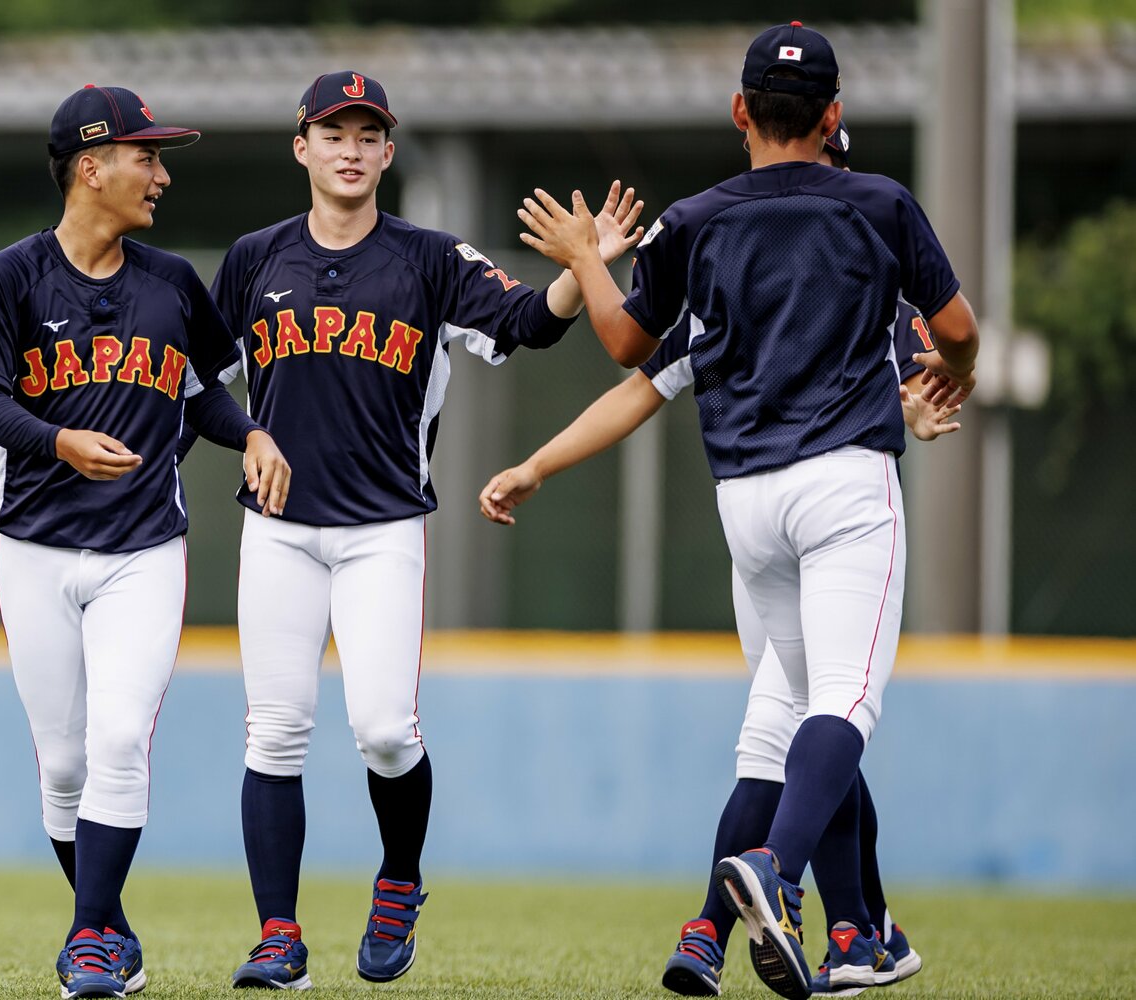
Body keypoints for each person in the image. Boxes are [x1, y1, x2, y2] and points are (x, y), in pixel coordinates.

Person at [513, 22, 978, 1000]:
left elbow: (628, 351)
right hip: (844, 487)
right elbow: (955, 332)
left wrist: (587, 258)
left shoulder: (699, 225)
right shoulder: (877, 208)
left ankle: (781, 933)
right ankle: (781, 874)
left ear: (739, 112)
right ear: (836, 117)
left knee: (790, 726)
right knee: (842, 707)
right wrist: (956, 375)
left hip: (746, 504)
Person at [206, 71, 643, 990]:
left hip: (382, 528)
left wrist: (584, 269)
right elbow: (201, 378)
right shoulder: (253, 258)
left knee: (385, 732)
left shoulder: (432, 258)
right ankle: (278, 937)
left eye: (369, 134)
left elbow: (528, 323)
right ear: (302, 147)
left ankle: (399, 878)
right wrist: (240, 434)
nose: (351, 149)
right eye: (334, 133)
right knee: (273, 736)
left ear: (389, 152)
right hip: (278, 530)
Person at [0, 84, 289, 999]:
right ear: (90, 168)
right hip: (36, 548)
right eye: (147, 156)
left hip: (142, 549)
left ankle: (88, 939)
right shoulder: (7, 279)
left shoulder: (170, 282)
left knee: (120, 737)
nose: (161, 176)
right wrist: (55, 440)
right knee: (62, 761)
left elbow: (201, 390)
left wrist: (246, 430)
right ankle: (110, 926)